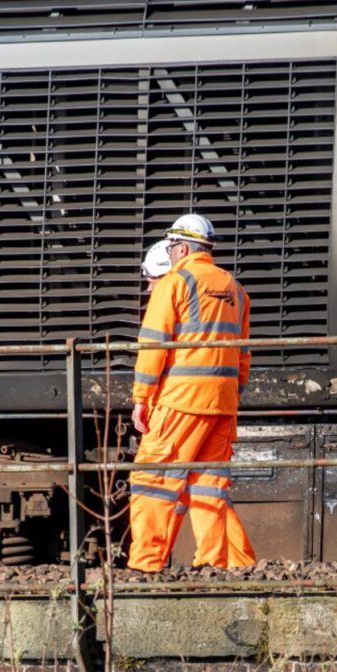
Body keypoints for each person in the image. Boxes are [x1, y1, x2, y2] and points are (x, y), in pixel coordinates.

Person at [126, 213, 256, 571]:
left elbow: (153, 345)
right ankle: (218, 563)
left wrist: (141, 399)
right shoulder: (235, 289)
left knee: (153, 480)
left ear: (182, 248)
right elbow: (243, 354)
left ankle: (146, 564)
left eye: (171, 247)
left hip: (180, 401)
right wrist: (231, 396)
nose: (169, 254)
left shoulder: (174, 283)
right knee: (209, 484)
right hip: (222, 405)